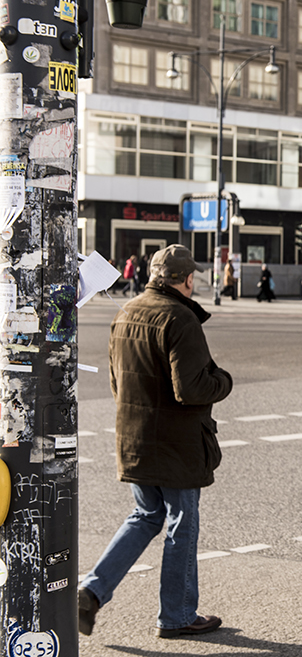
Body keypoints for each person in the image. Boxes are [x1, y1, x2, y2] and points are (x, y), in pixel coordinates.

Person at [78, 244, 233, 639]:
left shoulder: (126, 312)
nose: (193, 283)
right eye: (192, 277)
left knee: (145, 516)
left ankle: (92, 592)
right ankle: (177, 615)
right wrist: (224, 381)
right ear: (184, 279)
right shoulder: (180, 319)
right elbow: (191, 388)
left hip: (134, 436)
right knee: (182, 523)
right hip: (177, 444)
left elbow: (116, 381)